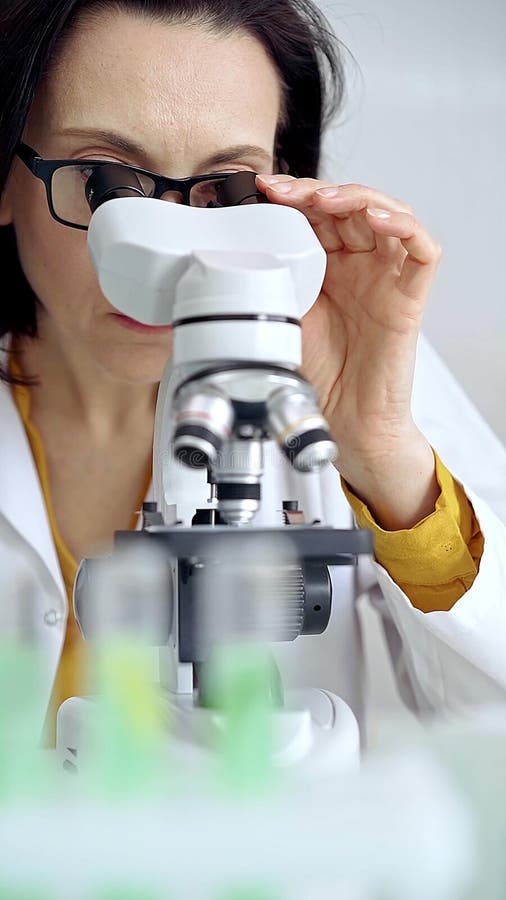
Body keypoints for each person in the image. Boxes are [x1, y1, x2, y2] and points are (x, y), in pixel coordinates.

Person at [0, 0, 505, 749]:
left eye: (228, 190)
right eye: (104, 181)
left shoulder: (340, 364)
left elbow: (487, 731)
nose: (171, 247)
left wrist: (381, 451)